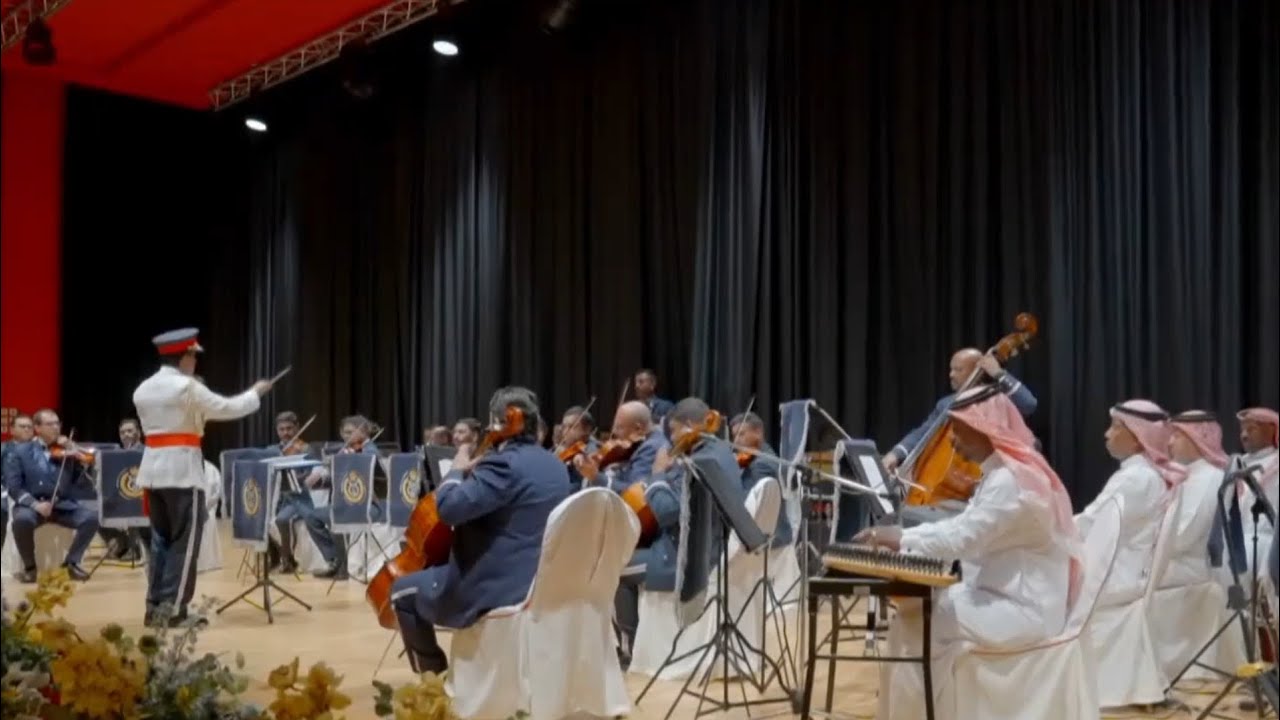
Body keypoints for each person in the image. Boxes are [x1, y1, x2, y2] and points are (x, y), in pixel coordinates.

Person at [855, 385, 1081, 720]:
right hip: (1000, 595)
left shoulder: (1011, 482)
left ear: (983, 429)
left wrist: (899, 538)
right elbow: (963, 525)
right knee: (912, 618)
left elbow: (964, 538)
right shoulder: (1002, 475)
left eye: (958, 432)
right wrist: (902, 538)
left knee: (915, 624)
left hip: (1022, 607)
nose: (952, 442)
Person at [391, 387, 569, 673]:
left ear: (501, 423)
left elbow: (448, 508)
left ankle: (433, 684)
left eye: (492, 422)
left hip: (498, 586)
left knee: (401, 592)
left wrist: (457, 470)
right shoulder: (554, 464)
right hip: (542, 580)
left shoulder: (502, 464)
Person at [132, 328, 274, 626]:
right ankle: (174, 610)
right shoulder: (187, 388)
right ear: (184, 356)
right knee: (184, 545)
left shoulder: (143, 388)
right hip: (182, 472)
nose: (195, 362)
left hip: (153, 473)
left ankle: (154, 606)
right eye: (193, 356)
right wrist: (255, 392)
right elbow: (228, 407)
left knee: (160, 543)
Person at [612, 397, 746, 669]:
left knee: (613, 568)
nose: (670, 441)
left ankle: (636, 648)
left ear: (687, 426)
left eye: (672, 432)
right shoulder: (721, 453)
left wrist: (659, 474)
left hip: (683, 558)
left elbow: (667, 512)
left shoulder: (697, 460)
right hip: (710, 547)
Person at [1076, 399, 1183, 608]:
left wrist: (1048, 532)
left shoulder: (1136, 477)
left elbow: (1089, 525)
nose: (1107, 434)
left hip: (1115, 580)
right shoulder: (1146, 474)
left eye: (1116, 427)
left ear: (1138, 438)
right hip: (1128, 574)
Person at [881, 348, 1037, 473]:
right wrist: (896, 453)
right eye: (951, 369)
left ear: (977, 370)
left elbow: (1028, 404)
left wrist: (998, 373)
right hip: (953, 480)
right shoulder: (947, 403)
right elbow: (924, 432)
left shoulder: (996, 397)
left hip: (995, 474)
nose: (951, 375)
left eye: (958, 370)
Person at [3, 409, 101, 583]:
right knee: (22, 520)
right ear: (37, 428)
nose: (56, 428)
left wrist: (77, 453)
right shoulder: (20, 451)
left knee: (91, 518)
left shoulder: (67, 451)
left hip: (61, 504)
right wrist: (35, 505)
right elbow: (14, 487)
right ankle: (30, 567)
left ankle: (71, 563)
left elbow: (82, 480)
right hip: (32, 506)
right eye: (50, 424)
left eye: (58, 423)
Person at [301, 415, 379, 580]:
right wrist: (319, 480)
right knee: (312, 516)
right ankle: (334, 559)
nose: (346, 437)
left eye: (350, 432)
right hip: (348, 502)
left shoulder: (370, 450)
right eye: (344, 433)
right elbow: (340, 480)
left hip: (368, 504)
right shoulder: (348, 450)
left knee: (336, 516)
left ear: (364, 432)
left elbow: (367, 476)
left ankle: (344, 566)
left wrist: (344, 461)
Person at [1163, 410, 1228, 587]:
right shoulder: (1186, 475)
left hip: (1190, 570)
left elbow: (1182, 539)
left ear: (1197, 438)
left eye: (1177, 436)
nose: (1169, 443)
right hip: (1171, 565)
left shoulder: (1210, 478)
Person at [573, 401, 667, 495]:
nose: (614, 431)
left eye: (619, 427)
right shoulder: (639, 442)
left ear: (638, 429)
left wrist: (595, 476)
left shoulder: (651, 448)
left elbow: (634, 493)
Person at [730, 411, 792, 547]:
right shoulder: (764, 454)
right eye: (734, 436)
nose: (736, 442)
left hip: (767, 540)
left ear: (758, 432)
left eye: (741, 434)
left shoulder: (761, 465)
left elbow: (751, 506)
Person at [98, 417, 152, 562]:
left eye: (130, 431)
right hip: (121, 495)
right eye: (122, 432)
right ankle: (122, 544)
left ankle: (136, 549)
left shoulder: (148, 452)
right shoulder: (116, 456)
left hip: (143, 496)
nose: (126, 435)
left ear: (139, 433)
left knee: (134, 506)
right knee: (95, 512)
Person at [1, 413, 34, 552]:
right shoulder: (3, 448)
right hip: (5, 491)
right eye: (22, 426)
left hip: (32, 492)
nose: (27, 429)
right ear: (12, 430)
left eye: (29, 427)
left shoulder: (39, 449)